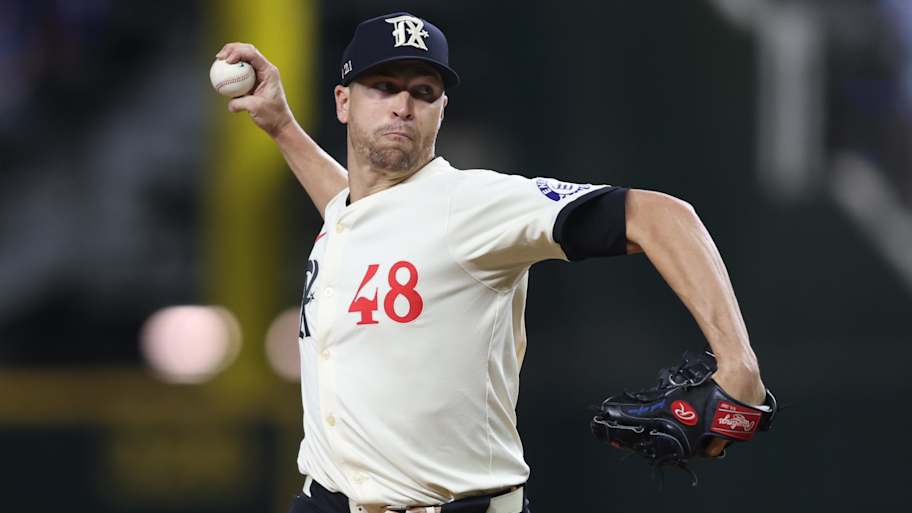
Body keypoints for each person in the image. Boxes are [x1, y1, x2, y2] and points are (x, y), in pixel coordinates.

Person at [215, 11, 767, 513]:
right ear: (342, 101)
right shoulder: (350, 215)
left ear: (441, 110)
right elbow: (369, 217)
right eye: (383, 86)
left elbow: (664, 216)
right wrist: (283, 128)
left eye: (423, 92)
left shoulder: (474, 204)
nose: (403, 105)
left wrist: (738, 363)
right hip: (325, 501)